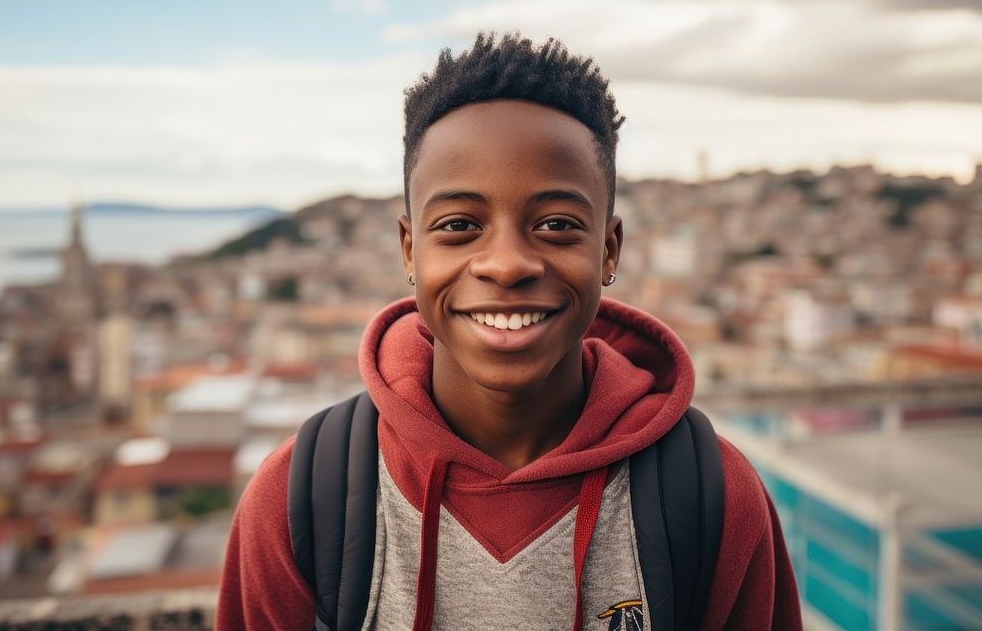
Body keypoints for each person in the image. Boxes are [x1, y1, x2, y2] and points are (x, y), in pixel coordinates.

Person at [217, 32, 802, 630]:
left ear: (609, 249)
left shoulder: (711, 498)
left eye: (555, 224)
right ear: (409, 250)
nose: (506, 263)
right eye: (459, 224)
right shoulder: (302, 498)